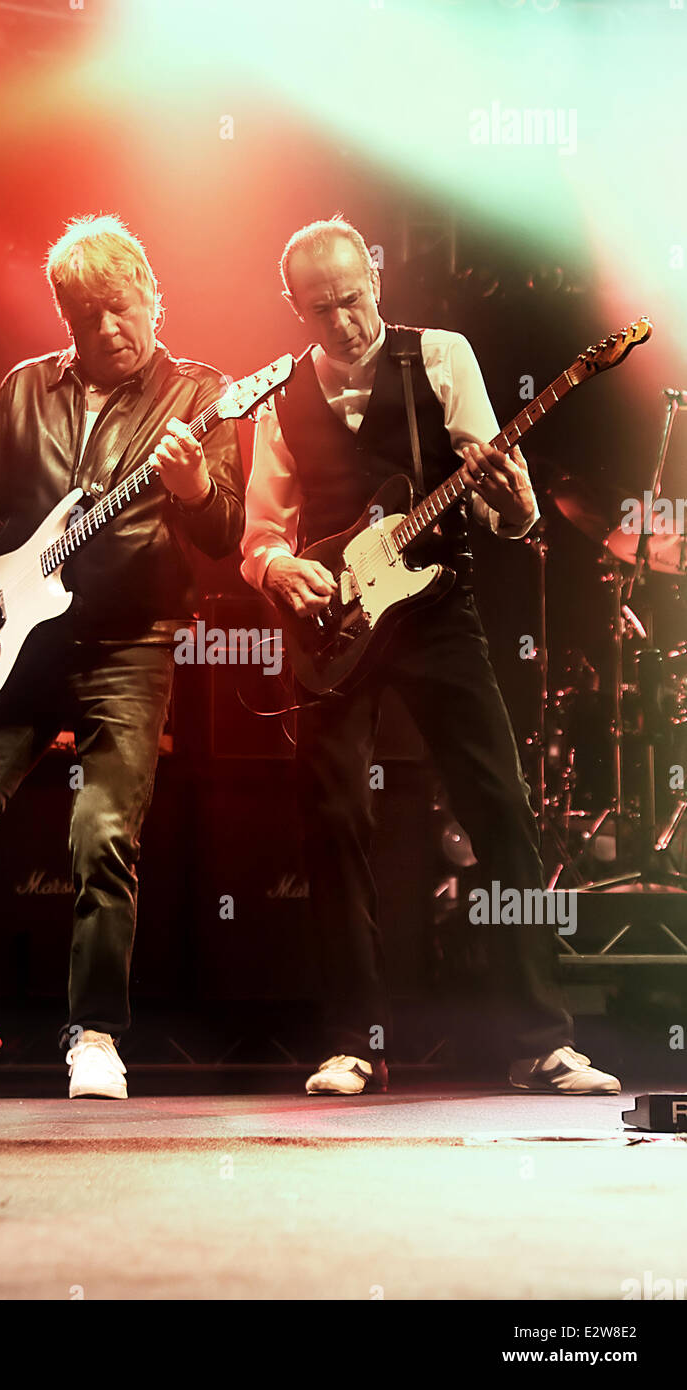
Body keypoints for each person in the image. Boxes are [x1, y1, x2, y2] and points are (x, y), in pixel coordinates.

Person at [241, 215, 620, 1097]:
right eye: (322, 309)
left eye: (355, 299)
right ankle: (351, 1041)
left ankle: (541, 1042)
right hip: (340, 620)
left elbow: (500, 508)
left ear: (376, 278)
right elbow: (259, 537)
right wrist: (277, 569)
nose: (345, 323)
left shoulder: (442, 355)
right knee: (333, 820)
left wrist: (519, 502)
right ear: (293, 306)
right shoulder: (277, 397)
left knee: (501, 805)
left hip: (440, 605)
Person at [0, 214, 243, 1101]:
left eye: (121, 307)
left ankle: (95, 1035)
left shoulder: (204, 394)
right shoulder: (24, 389)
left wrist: (194, 487)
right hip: (18, 648)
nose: (110, 328)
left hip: (129, 643)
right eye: (87, 317)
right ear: (65, 322)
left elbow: (227, 532)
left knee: (102, 832)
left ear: (154, 296)